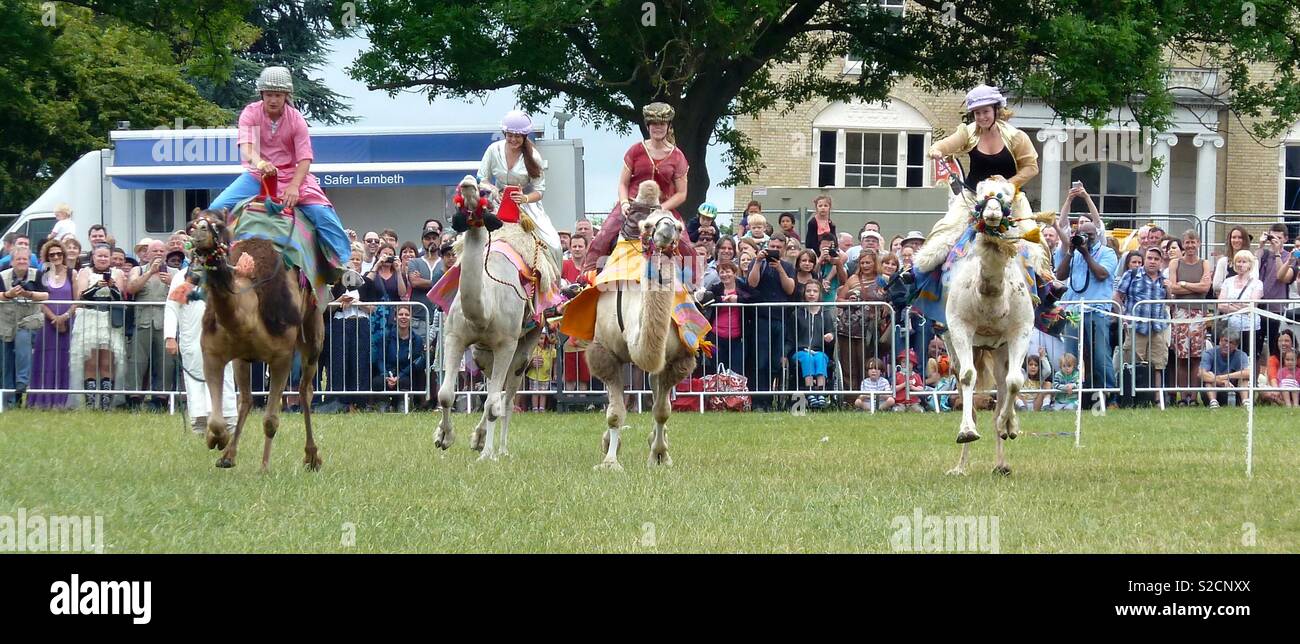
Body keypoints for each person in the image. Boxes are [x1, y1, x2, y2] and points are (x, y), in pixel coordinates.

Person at [207, 66, 352, 285]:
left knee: (323, 214)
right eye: (269, 94)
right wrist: (260, 163)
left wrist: (294, 187)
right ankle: (205, 262)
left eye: (278, 94)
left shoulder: (296, 119)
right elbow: (246, 146)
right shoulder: (250, 112)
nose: (273, 99)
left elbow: (305, 159)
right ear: (262, 94)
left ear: (286, 95)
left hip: (294, 176)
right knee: (217, 208)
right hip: (258, 174)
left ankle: (343, 266)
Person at [582, 102, 697, 279]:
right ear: (648, 126)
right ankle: (585, 279)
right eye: (653, 124)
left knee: (686, 247)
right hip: (633, 207)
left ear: (668, 126)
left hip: (662, 210)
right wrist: (624, 203)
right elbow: (622, 184)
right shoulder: (636, 150)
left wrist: (662, 208)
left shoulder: (678, 156)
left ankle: (696, 289)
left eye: (661, 124)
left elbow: (682, 193)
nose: (657, 128)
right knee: (602, 238)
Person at [164, 238, 237, 434]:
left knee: (224, 374)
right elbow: (172, 307)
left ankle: (228, 421)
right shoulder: (182, 278)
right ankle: (199, 425)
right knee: (195, 376)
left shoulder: (223, 275)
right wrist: (170, 336)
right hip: (192, 337)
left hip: (221, 336)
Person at [477, 110, 563, 266]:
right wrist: (494, 191)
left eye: (517, 136)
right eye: (510, 135)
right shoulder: (493, 150)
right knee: (467, 240)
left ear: (525, 136)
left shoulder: (534, 156)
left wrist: (525, 198)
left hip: (525, 206)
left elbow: (539, 190)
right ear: (504, 133)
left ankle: (555, 284)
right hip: (496, 202)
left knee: (554, 244)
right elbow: (481, 178)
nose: (513, 139)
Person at [1056, 220, 1117, 408]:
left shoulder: (1107, 253)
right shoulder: (1074, 254)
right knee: (1070, 355)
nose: (1085, 239)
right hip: (1074, 310)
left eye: (1089, 235)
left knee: (1100, 355)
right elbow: (1060, 275)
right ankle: (1070, 397)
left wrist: (1086, 253)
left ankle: (1110, 395)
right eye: (1082, 234)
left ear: (1097, 235)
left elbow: (1101, 274)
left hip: (1097, 309)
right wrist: (1071, 252)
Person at [70, 245, 127, 409]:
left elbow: (119, 297)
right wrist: (97, 287)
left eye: (105, 256)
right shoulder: (85, 272)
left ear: (110, 257)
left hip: (109, 318)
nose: (102, 259)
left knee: (107, 362)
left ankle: (105, 402)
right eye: (99, 256)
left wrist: (112, 286)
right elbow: (81, 295)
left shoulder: (118, 273)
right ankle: (90, 401)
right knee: (90, 361)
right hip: (89, 317)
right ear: (93, 257)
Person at [125, 239, 178, 410]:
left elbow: (185, 294)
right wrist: (149, 273)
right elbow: (131, 288)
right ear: (147, 254)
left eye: (161, 251)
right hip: (142, 322)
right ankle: (134, 400)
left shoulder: (175, 272)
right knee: (137, 362)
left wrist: (172, 282)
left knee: (166, 363)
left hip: (165, 325)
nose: (158, 254)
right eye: (154, 251)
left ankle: (161, 400)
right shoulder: (137, 270)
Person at [745, 235, 795, 410]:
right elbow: (752, 283)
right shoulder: (757, 262)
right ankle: (760, 402)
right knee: (761, 362)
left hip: (781, 320)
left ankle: (773, 400)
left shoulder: (788, 266)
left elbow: (790, 289)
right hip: (761, 319)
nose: (775, 249)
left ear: (784, 249)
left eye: (778, 247)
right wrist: (758, 262)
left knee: (776, 362)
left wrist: (780, 269)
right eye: (772, 246)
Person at [1113, 247, 1170, 394]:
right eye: (1150, 258)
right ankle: (1131, 396)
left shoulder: (1164, 280)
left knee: (1158, 364)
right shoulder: (1132, 274)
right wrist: (1123, 316)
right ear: (1145, 259)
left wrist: (1170, 290)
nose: (1152, 262)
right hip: (1136, 327)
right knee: (1132, 363)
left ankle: (1158, 399)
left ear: (1161, 262)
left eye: (1156, 259)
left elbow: (1169, 302)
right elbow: (1118, 296)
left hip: (1158, 327)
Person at [1167, 230, 1213, 405]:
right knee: (1181, 356)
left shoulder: (1205, 263)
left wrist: (1184, 284)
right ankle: (1182, 396)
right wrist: (1194, 287)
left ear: (1199, 243)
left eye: (1194, 242)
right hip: (1180, 313)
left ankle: (1193, 397)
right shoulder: (1175, 263)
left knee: (1196, 357)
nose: (1191, 246)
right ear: (1183, 244)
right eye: (1187, 242)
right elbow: (1173, 288)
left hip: (1198, 314)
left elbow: (1205, 288)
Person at [28, 241, 75, 409]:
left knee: (65, 360)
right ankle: (43, 400)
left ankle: (62, 402)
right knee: (46, 360)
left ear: (63, 255)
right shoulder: (42, 274)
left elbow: (77, 300)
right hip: (46, 324)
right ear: (46, 257)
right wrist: (53, 317)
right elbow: (39, 300)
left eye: (59, 254)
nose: (56, 257)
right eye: (52, 254)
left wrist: (64, 317)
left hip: (67, 324)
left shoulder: (71, 273)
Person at [0, 248, 49, 406]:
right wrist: (9, 294)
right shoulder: (2, 275)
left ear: (29, 261)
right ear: (12, 261)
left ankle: (22, 383)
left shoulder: (38, 274)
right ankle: (10, 400)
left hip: (29, 321)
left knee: (23, 345)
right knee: (7, 363)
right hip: (6, 322)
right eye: (18, 259)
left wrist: (29, 294)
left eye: (25, 259)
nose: (22, 262)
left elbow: (46, 295)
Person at [785, 280, 836, 409]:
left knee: (820, 358)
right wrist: (785, 354)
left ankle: (820, 392)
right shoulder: (797, 314)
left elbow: (831, 336)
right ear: (804, 293)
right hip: (800, 350)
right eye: (808, 291)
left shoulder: (826, 314)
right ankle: (809, 391)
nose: (811, 294)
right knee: (807, 358)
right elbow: (790, 338)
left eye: (815, 291)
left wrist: (830, 338)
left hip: (820, 350)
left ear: (820, 294)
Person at [1254, 223, 1296, 358]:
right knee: (1255, 349)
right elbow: (1252, 269)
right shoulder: (1264, 254)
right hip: (1257, 306)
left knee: (1274, 350)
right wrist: (1260, 246)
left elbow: (1282, 277)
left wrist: (1277, 253)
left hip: (1275, 309)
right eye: (1272, 237)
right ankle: (1253, 378)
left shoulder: (1290, 257)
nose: (1274, 241)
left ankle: (1273, 378)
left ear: (1286, 239)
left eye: (1278, 237)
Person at [705, 260, 751, 375]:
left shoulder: (743, 287)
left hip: (738, 338)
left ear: (735, 273)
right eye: (722, 272)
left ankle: (734, 393)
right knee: (718, 370)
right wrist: (721, 299)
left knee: (736, 371)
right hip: (716, 336)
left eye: (728, 271)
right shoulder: (716, 288)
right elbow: (706, 299)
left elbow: (755, 297)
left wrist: (737, 299)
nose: (725, 275)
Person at [1216, 250, 1262, 350]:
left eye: (1244, 262)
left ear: (1250, 264)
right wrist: (1241, 308)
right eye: (1238, 261)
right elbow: (1220, 305)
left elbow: (1252, 305)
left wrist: (1231, 305)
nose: (1240, 264)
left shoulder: (1257, 283)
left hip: (1249, 327)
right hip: (1229, 326)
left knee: (1247, 355)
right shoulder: (1228, 282)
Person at [1199, 332, 1252, 409]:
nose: (1227, 345)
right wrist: (1219, 381)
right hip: (1214, 389)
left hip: (1234, 390)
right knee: (1209, 375)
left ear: (1236, 346)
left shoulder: (1241, 354)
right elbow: (1201, 373)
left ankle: (1245, 402)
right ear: (1220, 341)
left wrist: (1224, 377)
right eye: (1225, 340)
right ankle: (1213, 402)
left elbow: (1248, 373)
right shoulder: (1209, 353)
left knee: (1244, 377)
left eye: (1231, 342)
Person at [1212, 225, 1255, 294]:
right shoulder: (1223, 262)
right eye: (1233, 237)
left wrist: (1227, 288)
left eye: (1240, 237)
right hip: (1226, 303)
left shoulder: (1253, 261)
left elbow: (1253, 284)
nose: (1236, 240)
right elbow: (1216, 286)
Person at [523, 328, 555, 412]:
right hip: (534, 375)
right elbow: (528, 360)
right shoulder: (534, 349)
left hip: (546, 376)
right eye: (540, 339)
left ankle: (542, 407)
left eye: (544, 339)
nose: (542, 341)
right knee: (535, 392)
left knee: (543, 393)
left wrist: (554, 374)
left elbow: (554, 362)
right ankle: (534, 408)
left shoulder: (551, 350)